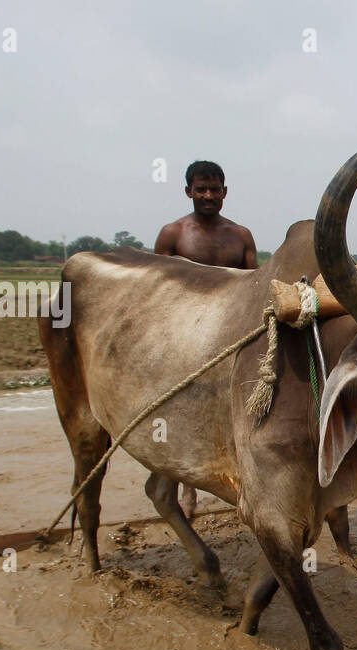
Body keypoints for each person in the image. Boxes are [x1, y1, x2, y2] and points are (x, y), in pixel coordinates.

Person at [154, 160, 259, 519]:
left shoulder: (241, 236)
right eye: (201, 189)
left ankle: (241, 476)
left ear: (225, 192)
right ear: (189, 192)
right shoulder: (173, 235)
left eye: (215, 189)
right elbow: (156, 293)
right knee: (185, 408)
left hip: (230, 337)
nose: (208, 195)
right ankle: (187, 484)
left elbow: (254, 290)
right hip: (186, 339)